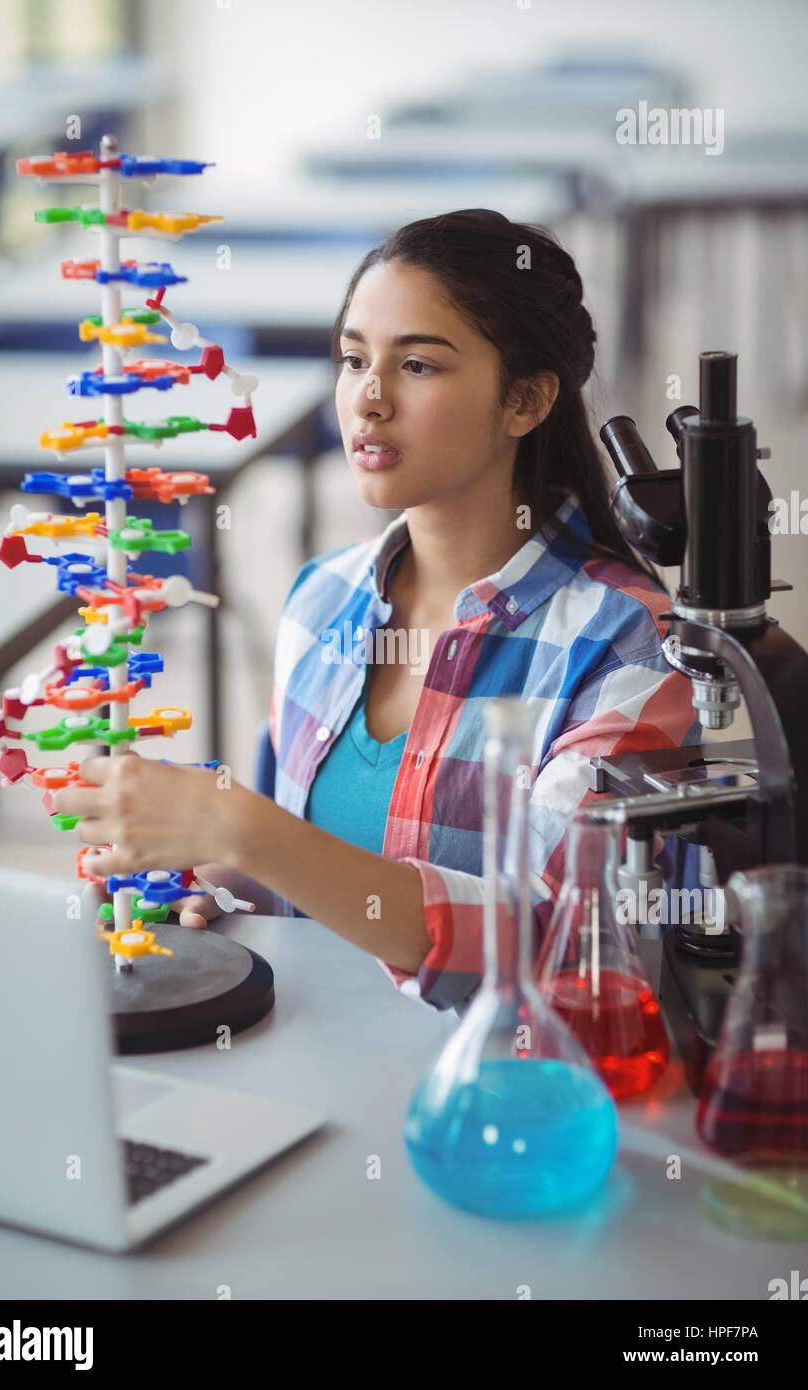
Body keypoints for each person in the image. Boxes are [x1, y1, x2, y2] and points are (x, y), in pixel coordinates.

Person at [54, 210, 701, 1012]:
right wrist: (223, 877)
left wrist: (244, 829)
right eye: (353, 358)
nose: (368, 399)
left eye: (419, 366)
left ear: (527, 400)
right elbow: (312, 868)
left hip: (495, 1108)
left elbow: (560, 938)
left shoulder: (630, 647)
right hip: (310, 1069)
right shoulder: (320, 599)